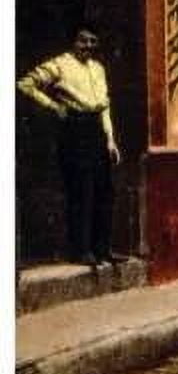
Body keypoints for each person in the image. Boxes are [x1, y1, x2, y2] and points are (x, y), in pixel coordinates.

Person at [18, 27, 121, 269]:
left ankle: (103, 249)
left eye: (92, 41)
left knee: (104, 190)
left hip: (96, 129)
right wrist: (54, 106)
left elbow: (104, 106)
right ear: (74, 42)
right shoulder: (60, 65)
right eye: (82, 40)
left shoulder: (98, 68)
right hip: (75, 128)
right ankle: (81, 251)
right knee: (82, 189)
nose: (87, 45)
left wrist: (110, 140)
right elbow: (25, 84)